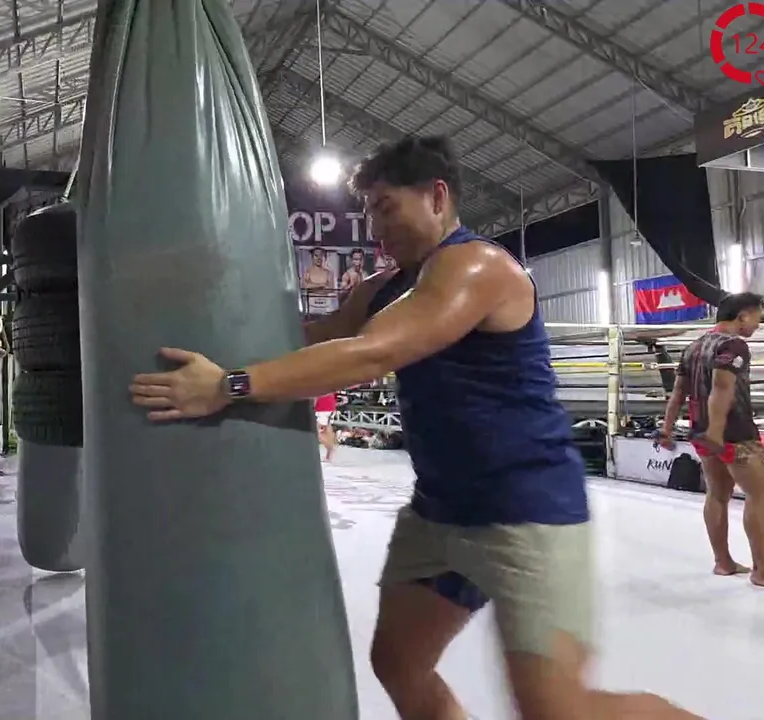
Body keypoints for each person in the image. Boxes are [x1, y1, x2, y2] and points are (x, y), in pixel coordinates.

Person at [129, 136, 700, 719]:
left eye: (386, 207)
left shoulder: (477, 266)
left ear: (436, 196)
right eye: (369, 212)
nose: (376, 228)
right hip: (439, 514)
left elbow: (372, 353)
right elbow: (305, 337)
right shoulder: (384, 288)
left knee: (558, 712)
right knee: (400, 665)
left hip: (526, 511)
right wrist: (196, 300)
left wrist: (229, 385)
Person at [657, 292, 764, 594]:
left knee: (717, 494)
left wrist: (666, 429)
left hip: (701, 432)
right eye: (756, 318)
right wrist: (716, 432)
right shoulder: (733, 345)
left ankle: (723, 562)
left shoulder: (694, 346)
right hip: (732, 433)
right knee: (761, 497)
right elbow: (722, 387)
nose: (757, 325)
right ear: (743, 316)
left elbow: (677, 393)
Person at [314, 392, 338, 462]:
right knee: (327, 430)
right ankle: (329, 454)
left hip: (322, 408)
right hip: (330, 406)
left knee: (315, 431)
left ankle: (330, 449)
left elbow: (315, 395)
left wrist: (313, 406)